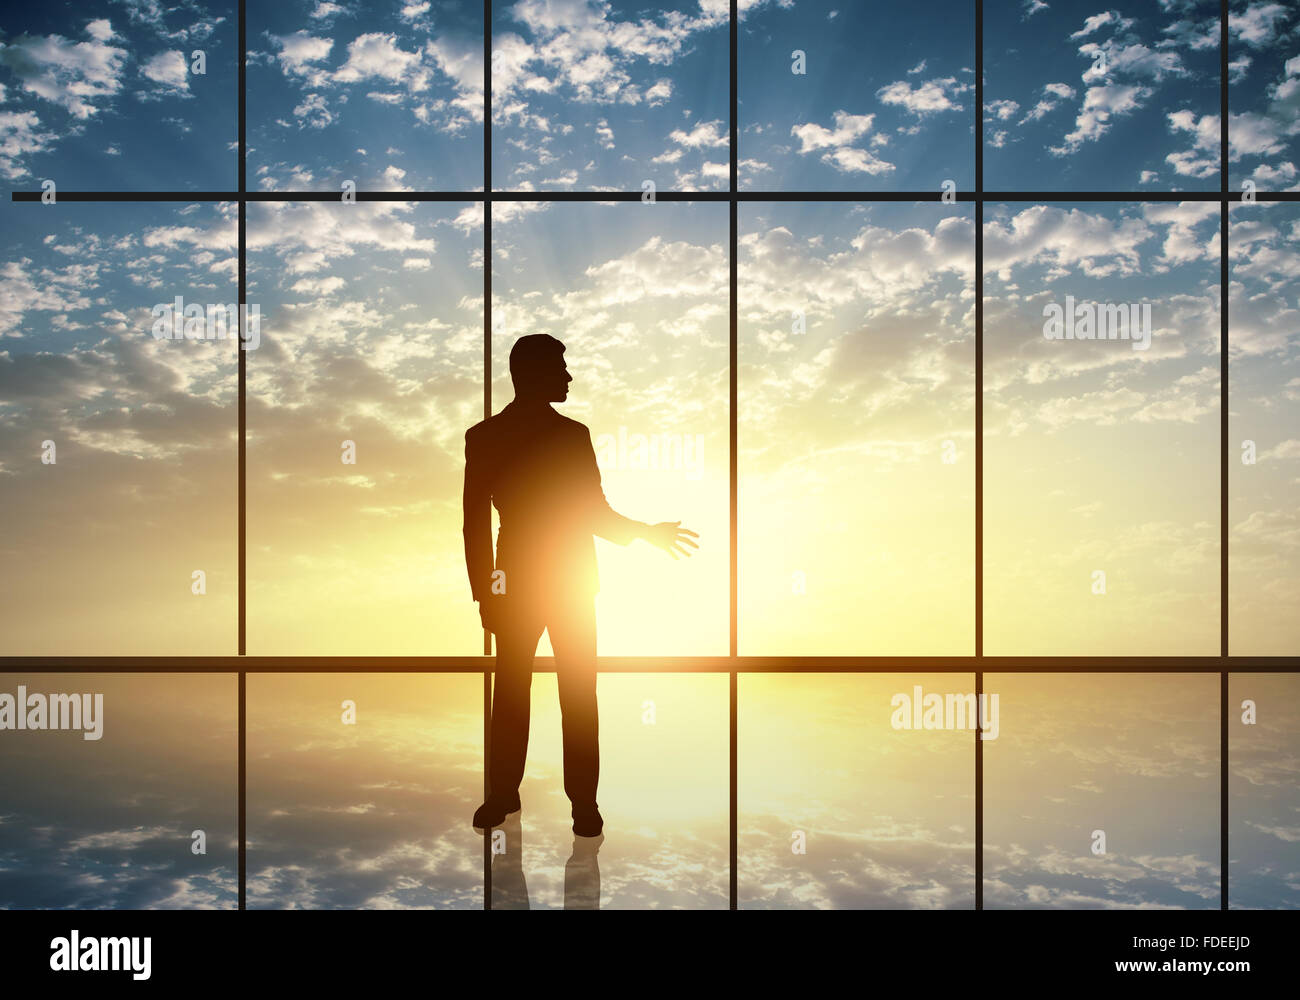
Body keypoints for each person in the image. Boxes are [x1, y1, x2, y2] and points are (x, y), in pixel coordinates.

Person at [463, 334, 698, 837]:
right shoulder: (485, 437)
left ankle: (583, 803)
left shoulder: (572, 435)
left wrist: (644, 534)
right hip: (524, 584)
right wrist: (487, 592)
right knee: (515, 693)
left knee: (572, 693)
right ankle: (505, 793)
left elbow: (592, 510)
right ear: (532, 373)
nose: (569, 377)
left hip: (567, 582)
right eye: (561, 368)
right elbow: (473, 524)